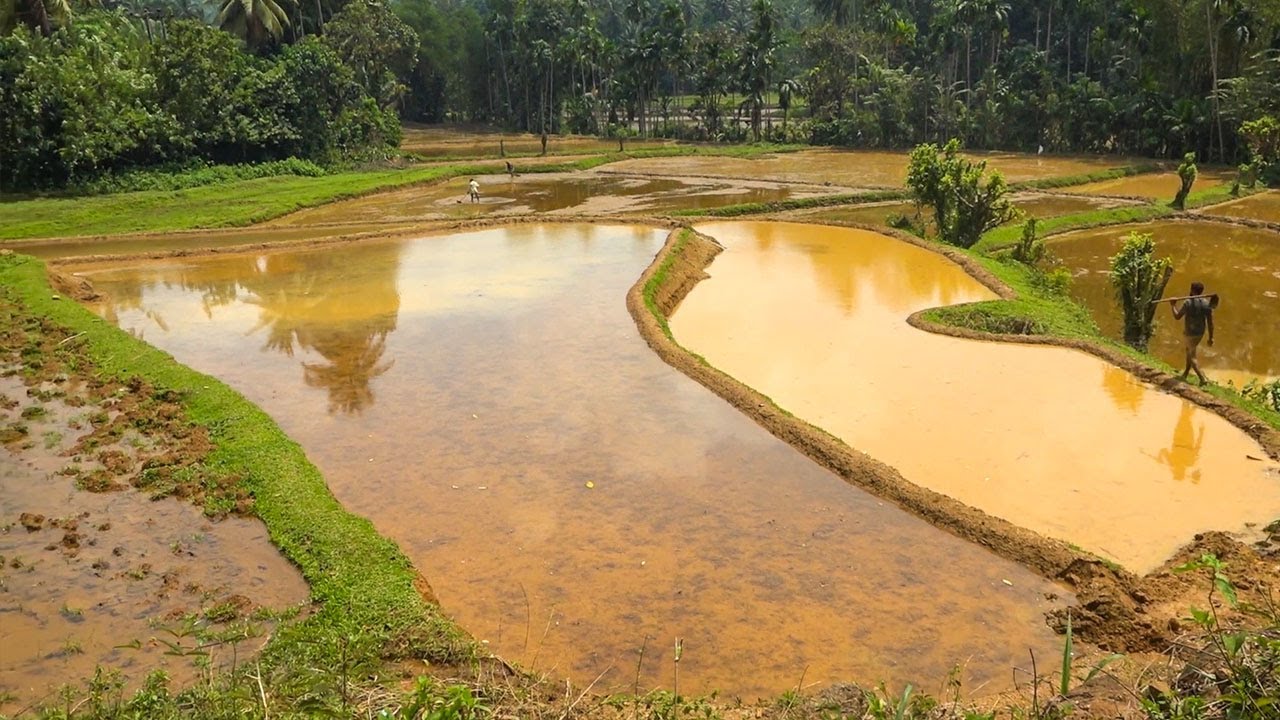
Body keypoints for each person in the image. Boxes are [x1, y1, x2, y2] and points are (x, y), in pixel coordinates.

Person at [1169, 281, 1214, 384]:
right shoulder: (1207, 304)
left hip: (1190, 333)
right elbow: (1210, 323)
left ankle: (1202, 379)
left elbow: (1177, 316)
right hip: (1200, 333)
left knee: (1192, 355)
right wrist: (1211, 337)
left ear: (1192, 290)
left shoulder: (1187, 303)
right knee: (1189, 351)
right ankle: (1185, 373)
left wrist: (1172, 305)